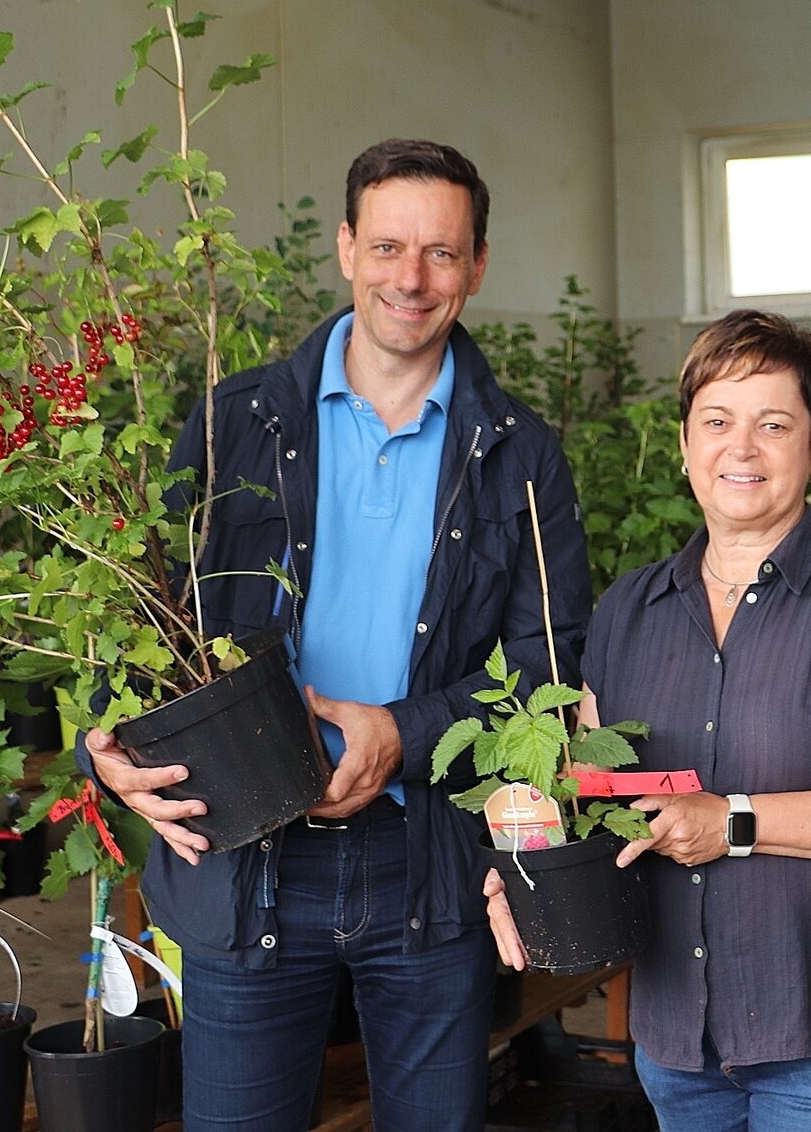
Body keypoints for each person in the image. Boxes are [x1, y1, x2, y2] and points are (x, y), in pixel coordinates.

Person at [83, 139, 590, 1132]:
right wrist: (107, 745)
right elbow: (145, 621)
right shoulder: (236, 426)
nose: (411, 278)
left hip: (429, 864)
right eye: (389, 245)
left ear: (476, 266)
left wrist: (403, 729)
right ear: (346, 247)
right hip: (243, 862)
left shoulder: (521, 458)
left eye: (441, 253)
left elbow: (547, 671)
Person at [486, 310, 811, 1132]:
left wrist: (732, 822)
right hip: (678, 1032)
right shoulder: (630, 607)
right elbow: (591, 792)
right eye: (717, 421)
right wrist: (528, 869)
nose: (741, 448)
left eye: (774, 424)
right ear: (684, 444)